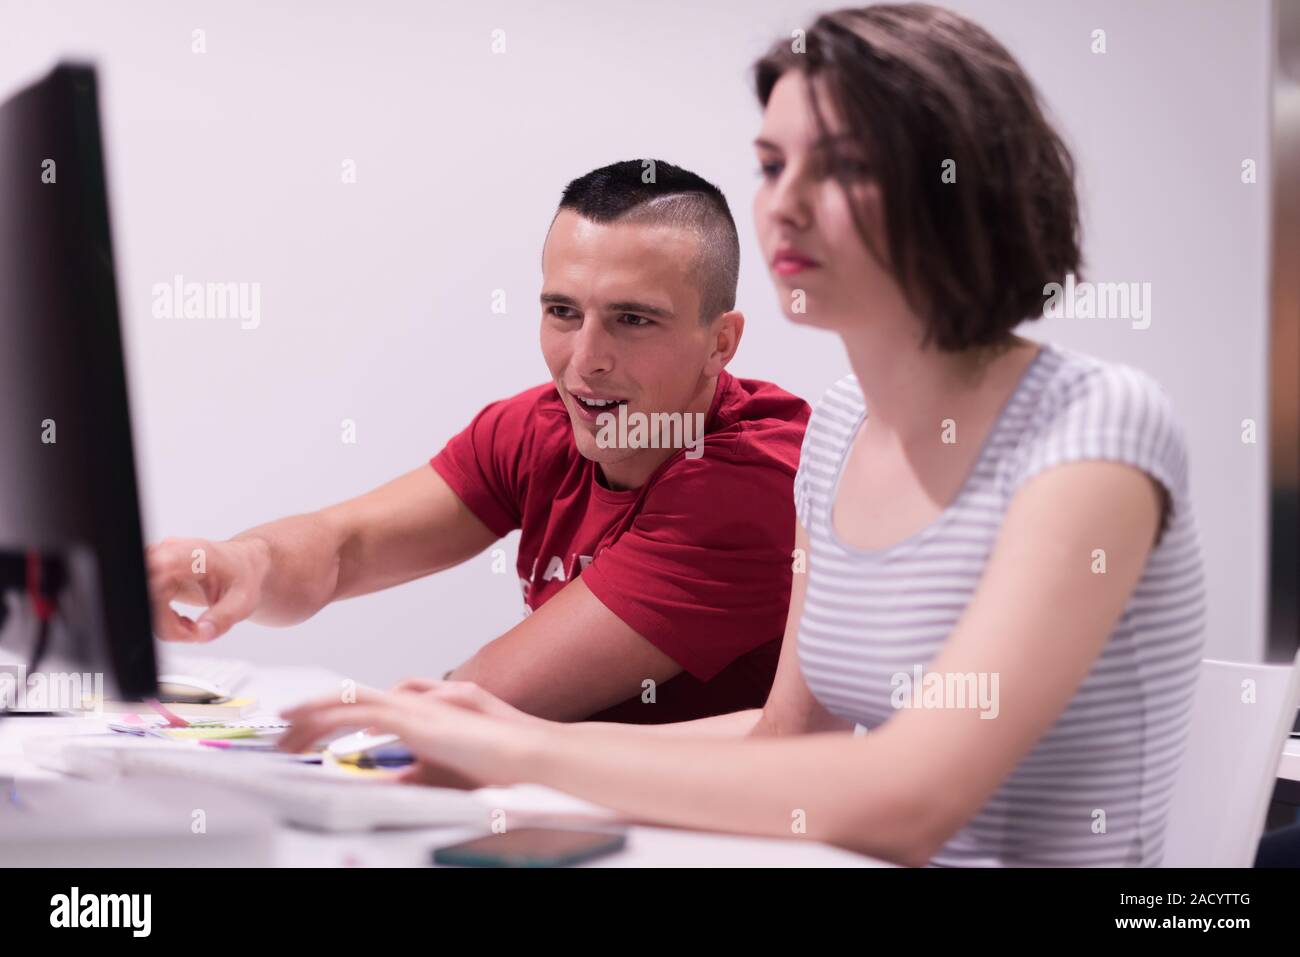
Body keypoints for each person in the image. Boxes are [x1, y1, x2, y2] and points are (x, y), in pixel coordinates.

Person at [281, 3, 1208, 867]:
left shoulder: (1094, 425)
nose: (783, 204)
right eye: (772, 165)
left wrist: (517, 746)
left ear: (964, 190)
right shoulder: (842, 429)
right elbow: (788, 741)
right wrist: (499, 746)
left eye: (841, 167)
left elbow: (910, 795)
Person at [147, 160, 809, 723]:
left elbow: (480, 701)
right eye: (563, 312)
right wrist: (241, 564)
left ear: (720, 343)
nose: (585, 361)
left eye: (632, 319)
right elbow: (345, 549)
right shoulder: (545, 424)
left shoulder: (754, 480)